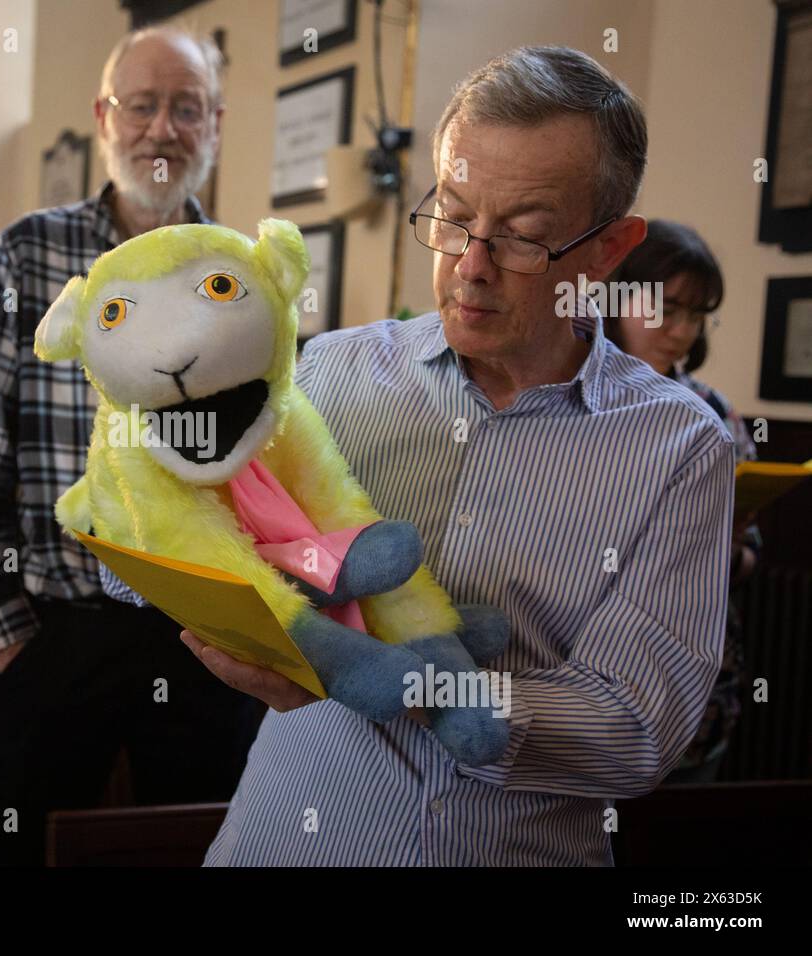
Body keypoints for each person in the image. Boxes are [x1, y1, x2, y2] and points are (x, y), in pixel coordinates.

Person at [163, 46, 733, 866]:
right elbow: (165, 543)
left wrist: (410, 686)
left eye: (523, 239)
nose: (469, 268)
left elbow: (636, 731)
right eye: (454, 215)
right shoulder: (328, 372)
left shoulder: (681, 451)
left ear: (609, 252)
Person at [0, 24, 260, 867]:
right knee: (1, 843)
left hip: (202, 631)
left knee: (204, 846)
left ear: (216, 125)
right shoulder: (28, 250)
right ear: (103, 116)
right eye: (143, 105)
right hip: (60, 623)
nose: (163, 129)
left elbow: (263, 464)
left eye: (186, 109)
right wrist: (9, 636)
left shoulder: (238, 271)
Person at [605, 220, 757, 783]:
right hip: (590, 664)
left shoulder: (714, 410)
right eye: (667, 309)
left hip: (698, 670)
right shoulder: (576, 397)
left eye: (696, 315)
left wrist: (729, 552)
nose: (681, 331)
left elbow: (751, 551)